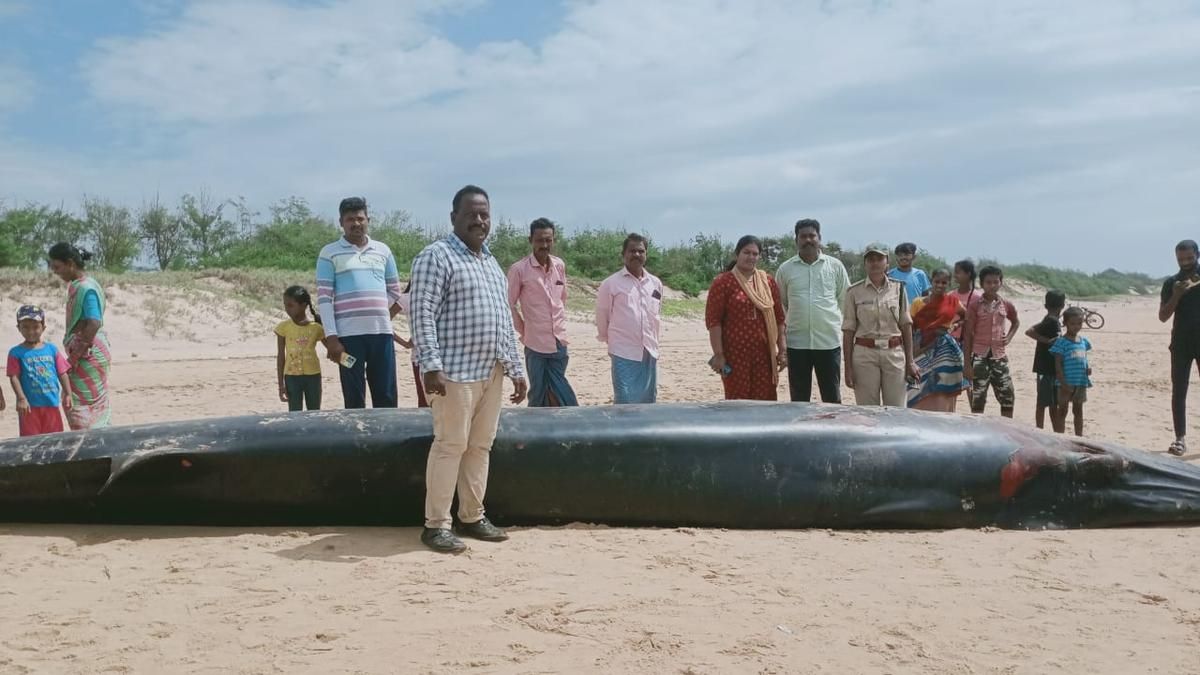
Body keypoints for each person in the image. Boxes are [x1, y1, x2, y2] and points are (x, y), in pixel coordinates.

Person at [410, 185, 528, 554]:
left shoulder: (491, 263)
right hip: (453, 373)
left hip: (491, 372)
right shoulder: (436, 257)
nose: (479, 220)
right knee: (450, 445)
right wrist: (430, 365)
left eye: (484, 215)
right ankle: (436, 526)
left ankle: (473, 516)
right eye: (471, 214)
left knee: (480, 446)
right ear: (453, 218)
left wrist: (517, 368)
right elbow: (422, 313)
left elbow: (505, 321)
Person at [316, 196, 404, 409]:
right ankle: (358, 441)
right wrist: (332, 339)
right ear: (341, 222)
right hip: (347, 339)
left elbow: (394, 291)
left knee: (386, 393)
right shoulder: (329, 253)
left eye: (360, 218)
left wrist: (380, 313)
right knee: (353, 395)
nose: (356, 223)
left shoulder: (383, 250)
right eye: (350, 219)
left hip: (381, 336)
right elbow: (325, 299)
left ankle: (386, 441)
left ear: (368, 220)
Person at [775, 219, 850, 403]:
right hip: (797, 344)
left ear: (819, 238)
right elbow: (781, 305)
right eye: (803, 236)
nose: (808, 240)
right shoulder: (786, 269)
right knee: (799, 398)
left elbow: (844, 300)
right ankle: (801, 432)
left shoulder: (835, 266)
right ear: (796, 240)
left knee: (831, 397)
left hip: (828, 342)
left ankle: (833, 431)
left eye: (812, 236)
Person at [705, 236, 787, 400]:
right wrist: (719, 354)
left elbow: (779, 318)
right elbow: (714, 322)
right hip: (735, 355)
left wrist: (783, 350)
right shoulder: (723, 282)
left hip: (764, 355)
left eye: (755, 254)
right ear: (737, 254)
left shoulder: (768, 282)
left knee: (765, 400)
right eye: (746, 252)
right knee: (738, 400)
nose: (751, 257)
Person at [507, 218, 579, 407]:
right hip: (535, 343)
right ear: (530, 240)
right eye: (540, 240)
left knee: (559, 387)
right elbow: (509, 304)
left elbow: (562, 298)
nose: (544, 245)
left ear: (554, 240)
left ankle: (563, 431)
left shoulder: (559, 265)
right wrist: (524, 330)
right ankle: (533, 434)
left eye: (548, 240)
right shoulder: (519, 269)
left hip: (559, 341)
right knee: (538, 391)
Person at [842, 244, 919, 407]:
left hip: (894, 354)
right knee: (867, 410)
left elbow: (906, 325)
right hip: (864, 355)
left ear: (887, 263)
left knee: (896, 409)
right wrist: (848, 368)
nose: (875, 263)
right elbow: (848, 331)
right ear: (865, 264)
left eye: (879, 259)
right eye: (870, 259)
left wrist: (910, 361)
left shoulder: (898, 289)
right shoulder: (853, 292)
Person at [48, 243, 112, 429]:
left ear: (70, 263)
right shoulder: (80, 286)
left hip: (88, 355)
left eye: (57, 267)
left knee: (78, 403)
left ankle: (91, 448)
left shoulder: (86, 288)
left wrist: (74, 357)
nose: (56, 272)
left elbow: (94, 322)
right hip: (87, 353)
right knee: (87, 403)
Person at [596, 233, 663, 404]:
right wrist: (610, 342)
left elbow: (656, 316)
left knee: (648, 400)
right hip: (623, 352)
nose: (637, 255)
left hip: (649, 351)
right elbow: (602, 316)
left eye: (641, 251)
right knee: (625, 402)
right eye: (632, 251)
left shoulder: (655, 284)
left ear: (646, 254)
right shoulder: (610, 284)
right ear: (623, 254)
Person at [1159, 239, 1200, 456]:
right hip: (1181, 343)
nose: (1185, 263)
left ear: (1198, 255)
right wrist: (1177, 294)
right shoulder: (1171, 283)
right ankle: (1180, 439)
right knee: (1179, 391)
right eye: (1180, 259)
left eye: (1189, 258)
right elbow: (1163, 317)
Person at [962, 265, 1020, 418]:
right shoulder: (974, 306)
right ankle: (977, 432)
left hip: (999, 357)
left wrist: (1009, 337)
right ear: (982, 284)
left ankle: (1007, 430)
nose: (992, 285)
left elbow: (1015, 322)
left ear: (1001, 283)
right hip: (979, 357)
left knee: (1008, 397)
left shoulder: (1006, 304)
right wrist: (967, 364)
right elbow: (967, 335)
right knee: (978, 399)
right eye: (988, 282)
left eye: (996, 282)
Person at [906, 269, 967, 412]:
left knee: (943, 386)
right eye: (937, 282)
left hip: (945, 350)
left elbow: (966, 316)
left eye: (944, 282)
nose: (940, 285)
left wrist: (955, 325)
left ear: (949, 283)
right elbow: (910, 326)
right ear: (931, 282)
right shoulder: (918, 303)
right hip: (921, 347)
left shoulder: (953, 301)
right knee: (918, 383)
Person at [6, 305, 71, 436]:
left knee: (54, 439)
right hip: (29, 407)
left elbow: (62, 372)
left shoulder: (52, 349)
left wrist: (68, 393)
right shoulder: (15, 353)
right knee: (30, 440)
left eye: (35, 327)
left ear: (43, 327)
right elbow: (14, 377)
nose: (31, 331)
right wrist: (21, 398)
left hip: (51, 403)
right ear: (19, 328)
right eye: (25, 327)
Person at [275, 286, 326, 411]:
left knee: (314, 412)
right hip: (291, 377)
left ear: (303, 305)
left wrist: (350, 363)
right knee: (295, 413)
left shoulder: (316, 328)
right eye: (285, 305)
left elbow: (333, 349)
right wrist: (281, 385)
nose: (287, 309)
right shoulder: (283, 328)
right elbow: (281, 357)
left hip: (313, 376)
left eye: (290, 305)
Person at [1025, 290, 1067, 432]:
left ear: (1045, 305)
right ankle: (1044, 430)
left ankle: (1045, 430)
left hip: (1047, 367)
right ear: (1062, 305)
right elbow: (1029, 332)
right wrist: (1048, 342)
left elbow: (1033, 329)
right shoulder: (1052, 321)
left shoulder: (1049, 319)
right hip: (1046, 367)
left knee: (1049, 402)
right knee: (1046, 403)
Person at [1051, 307, 1092, 438]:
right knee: (1062, 411)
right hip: (1065, 383)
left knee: (1078, 410)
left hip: (1080, 382)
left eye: (1079, 323)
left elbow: (1083, 358)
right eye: (1072, 323)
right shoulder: (1061, 342)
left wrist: (1088, 368)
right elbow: (1058, 365)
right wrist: (1063, 383)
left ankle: (1079, 437)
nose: (1076, 326)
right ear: (1066, 323)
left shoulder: (1083, 342)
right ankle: (1060, 437)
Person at [394, 283, 426, 408]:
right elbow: (384, 320)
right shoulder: (407, 299)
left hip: (439, 353)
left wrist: (406, 343)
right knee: (424, 399)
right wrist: (404, 343)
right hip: (420, 356)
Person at [950, 259, 981, 345]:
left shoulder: (978, 297)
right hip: (952, 338)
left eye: (957, 272)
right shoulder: (951, 295)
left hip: (971, 340)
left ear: (968, 274)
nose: (955, 275)